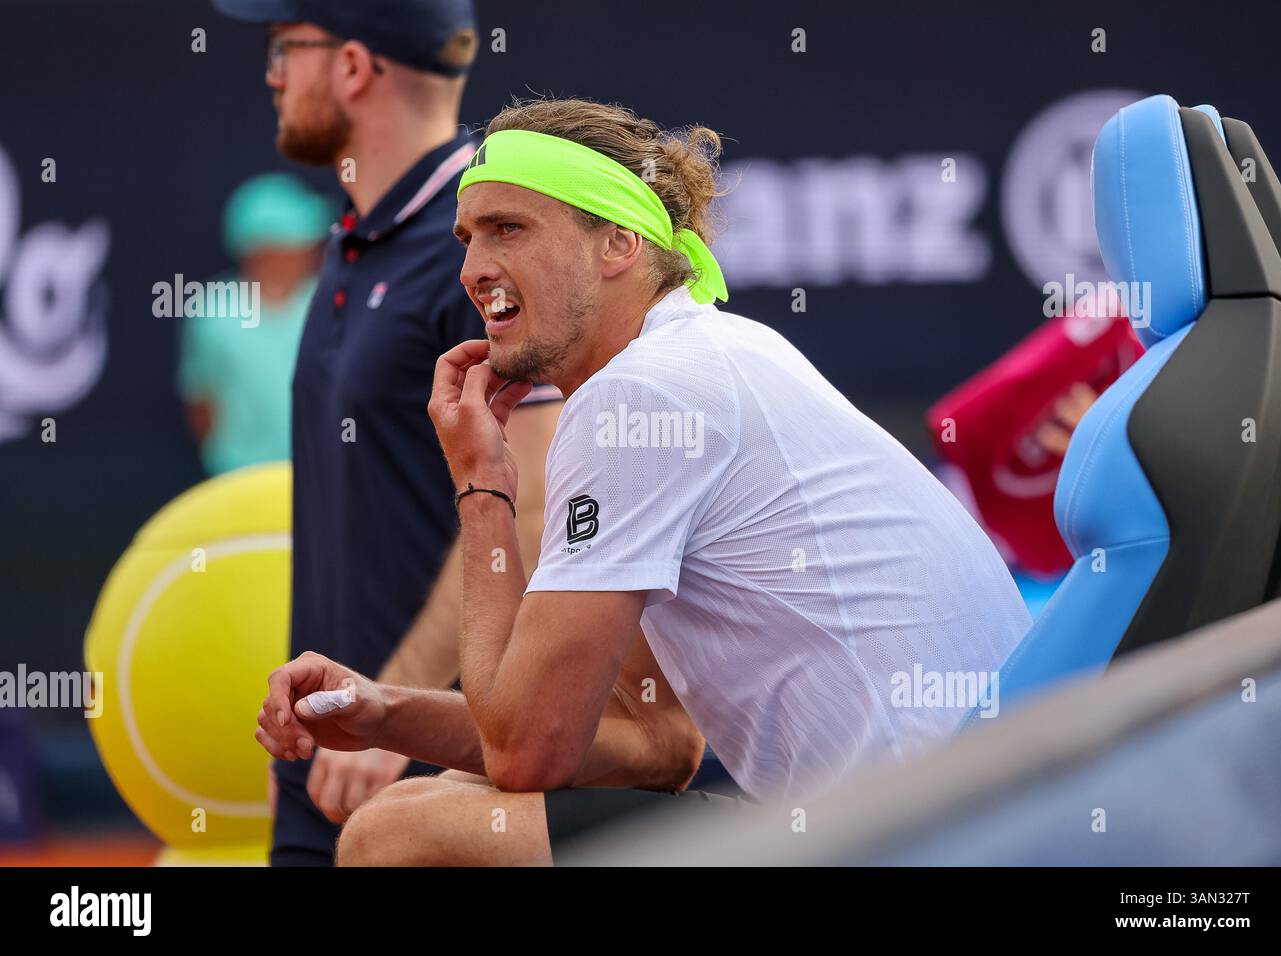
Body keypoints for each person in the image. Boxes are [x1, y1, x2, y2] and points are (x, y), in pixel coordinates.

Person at [256, 97, 1033, 865]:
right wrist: (379, 709)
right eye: (466, 238)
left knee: (400, 835)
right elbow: (657, 741)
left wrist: (482, 485)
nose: (470, 270)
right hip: (979, 805)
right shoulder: (698, 356)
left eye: (508, 230)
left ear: (618, 243)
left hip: (933, 833)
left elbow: (526, 751)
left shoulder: (642, 395)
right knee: (439, 797)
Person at [212, 0, 562, 865]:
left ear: (354, 67)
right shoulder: (353, 240)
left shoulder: (481, 242)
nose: (271, 74)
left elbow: (532, 504)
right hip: (336, 751)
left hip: (423, 762)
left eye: (284, 49)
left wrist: (395, 714)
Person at [179, 172, 332, 475]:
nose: (314, 245)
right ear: (266, 249)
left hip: (322, 479)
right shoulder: (213, 310)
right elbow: (200, 403)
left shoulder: (332, 301)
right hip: (238, 481)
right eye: (299, 236)